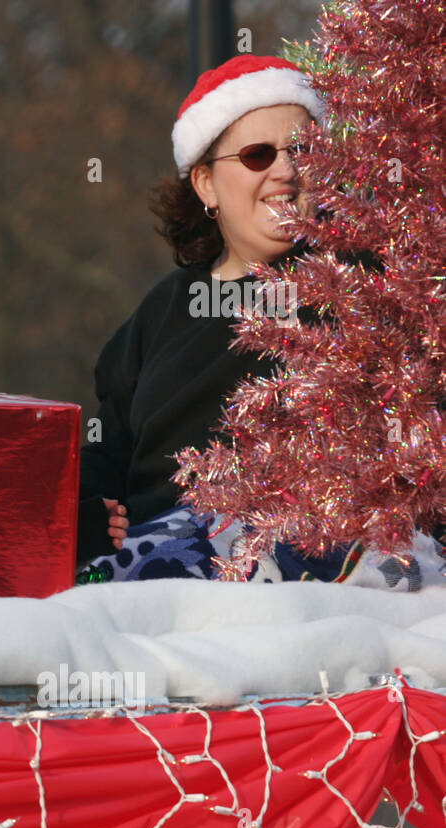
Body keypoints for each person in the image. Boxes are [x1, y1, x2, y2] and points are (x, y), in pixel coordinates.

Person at [76, 55, 335, 582]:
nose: (286, 170)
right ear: (206, 185)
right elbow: (106, 450)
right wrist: (82, 514)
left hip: (316, 554)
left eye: (304, 151)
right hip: (165, 560)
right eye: (258, 155)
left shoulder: (355, 283)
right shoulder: (160, 312)